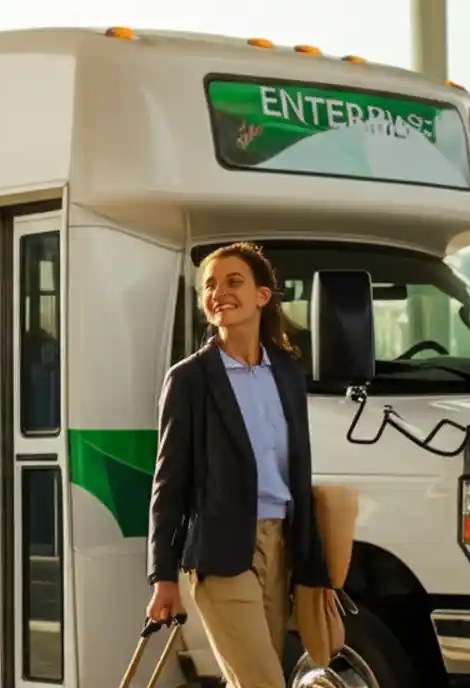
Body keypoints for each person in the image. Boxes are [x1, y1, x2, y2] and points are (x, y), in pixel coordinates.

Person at [145, 241, 332, 688]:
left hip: (280, 544)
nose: (218, 292)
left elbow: (298, 469)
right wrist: (163, 576)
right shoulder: (190, 379)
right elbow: (169, 482)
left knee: (245, 679)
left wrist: (311, 561)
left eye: (234, 281)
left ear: (262, 296)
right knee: (264, 682)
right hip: (221, 552)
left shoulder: (286, 371)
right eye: (209, 285)